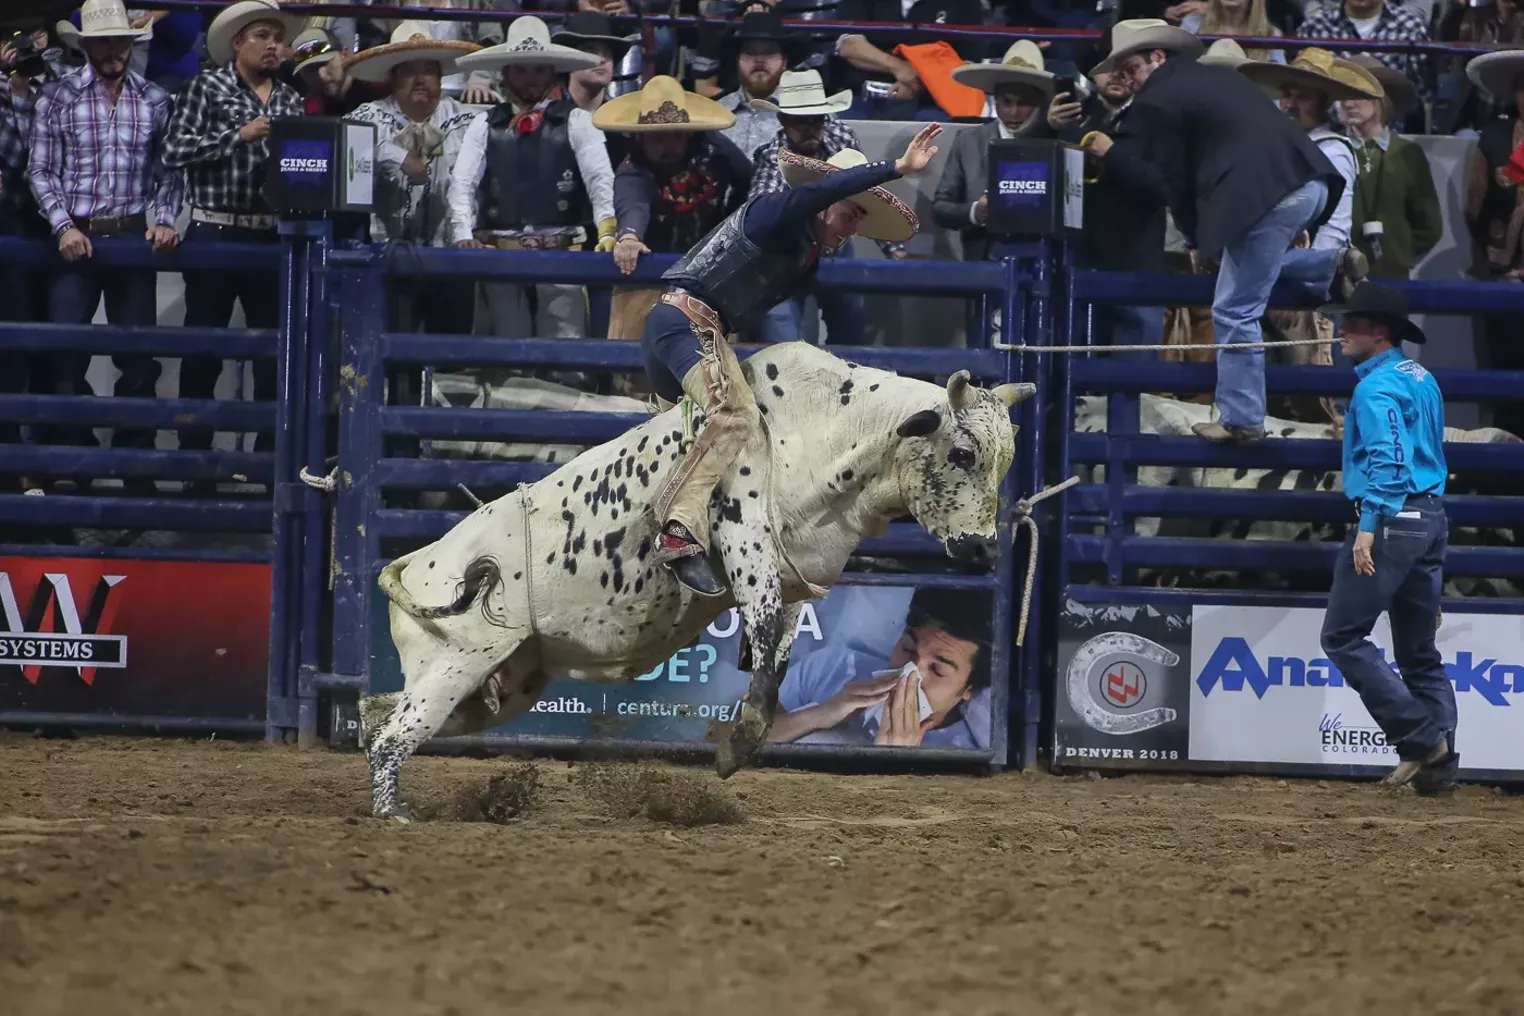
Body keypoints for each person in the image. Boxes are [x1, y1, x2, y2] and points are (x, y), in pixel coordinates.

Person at [643, 124, 940, 596]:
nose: (853, 228)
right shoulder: (775, 213)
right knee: (735, 415)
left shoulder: (806, 255)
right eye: (850, 213)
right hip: (684, 323)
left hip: (699, 331)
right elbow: (821, 190)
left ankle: (683, 534)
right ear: (824, 202)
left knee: (688, 436)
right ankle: (678, 533)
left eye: (860, 218)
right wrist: (897, 168)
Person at [1100, 18, 1365, 446]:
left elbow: (1174, 179)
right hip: (1309, 183)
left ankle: (1242, 418)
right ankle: (1325, 265)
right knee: (1239, 272)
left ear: (1157, 57)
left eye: (1131, 67)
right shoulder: (1209, 77)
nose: (1126, 79)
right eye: (1121, 72)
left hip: (1264, 195)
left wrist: (1194, 238)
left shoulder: (1158, 100)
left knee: (1233, 308)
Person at [27, 0, 183, 484]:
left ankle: (135, 466)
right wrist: (62, 225)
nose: (115, 50)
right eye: (106, 41)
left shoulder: (156, 99)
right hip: (76, 235)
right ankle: (75, 463)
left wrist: (165, 218)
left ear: (129, 44)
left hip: (133, 235)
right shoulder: (56, 97)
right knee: (67, 353)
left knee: (136, 359)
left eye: (121, 41)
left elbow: (169, 171)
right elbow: (40, 170)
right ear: (88, 45)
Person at [1316, 281, 1455, 797]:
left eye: (1352, 323)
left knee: (1343, 636)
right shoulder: (1420, 376)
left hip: (1394, 520)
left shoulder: (1374, 390)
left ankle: (1422, 742)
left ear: (1380, 332)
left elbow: (1390, 463)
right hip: (1431, 517)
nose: (1340, 330)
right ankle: (1437, 769)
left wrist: (1368, 528)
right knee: (1420, 653)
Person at [162, 0, 304, 464]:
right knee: (204, 350)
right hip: (214, 229)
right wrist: (237, 136)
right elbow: (173, 149)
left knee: (272, 354)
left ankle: (270, 461)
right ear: (238, 42)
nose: (273, 46)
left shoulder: (291, 98)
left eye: (277, 38)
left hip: (270, 233)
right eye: (262, 36)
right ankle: (193, 459)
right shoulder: (205, 87)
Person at [447, 16, 615, 342]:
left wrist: (607, 229)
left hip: (562, 249)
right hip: (500, 250)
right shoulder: (485, 124)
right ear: (506, 73)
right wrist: (462, 234)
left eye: (538, 70)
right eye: (521, 70)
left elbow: (600, 180)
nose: (530, 79)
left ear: (551, 72)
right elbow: (462, 183)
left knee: (566, 345)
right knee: (507, 349)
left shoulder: (577, 121)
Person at [347, 21, 482, 409]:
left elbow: (470, 180)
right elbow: (352, 144)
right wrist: (399, 157)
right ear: (393, 78)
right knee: (392, 359)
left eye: (430, 69)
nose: (422, 79)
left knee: (453, 359)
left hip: (450, 255)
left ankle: (445, 452)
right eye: (410, 70)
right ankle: (391, 449)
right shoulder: (369, 115)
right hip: (388, 260)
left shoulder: (467, 120)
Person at [748, 68, 909, 346]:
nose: (810, 129)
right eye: (801, 122)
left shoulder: (841, 140)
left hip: (834, 244)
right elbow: (762, 209)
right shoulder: (771, 157)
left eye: (817, 120)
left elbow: (864, 194)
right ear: (783, 120)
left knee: (852, 323)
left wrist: (891, 247)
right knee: (783, 337)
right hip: (784, 255)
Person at [596, 76, 751, 344]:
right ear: (640, 135)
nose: (667, 145)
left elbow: (747, 178)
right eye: (657, 137)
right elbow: (633, 201)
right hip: (647, 275)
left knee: (714, 369)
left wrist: (734, 221)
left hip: (708, 276)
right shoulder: (633, 166)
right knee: (635, 369)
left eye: (675, 135)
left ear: (690, 132)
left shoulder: (716, 150)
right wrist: (630, 236)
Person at [768, 587, 994, 750]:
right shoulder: (834, 667)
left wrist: (892, 762)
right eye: (907, 648)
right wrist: (818, 714)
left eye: (937, 670)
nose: (910, 672)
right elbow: (740, 742)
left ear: (969, 689)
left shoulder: (969, 752)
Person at [933, 40, 1055, 265]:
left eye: (1024, 103)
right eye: (1006, 102)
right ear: (995, 100)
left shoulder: (1055, 142)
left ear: (1040, 102)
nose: (1014, 112)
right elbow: (941, 208)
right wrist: (975, 212)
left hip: (1043, 262)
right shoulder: (968, 141)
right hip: (982, 260)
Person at [1461, 47, 1524, 438]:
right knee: (1509, 377)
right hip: (1507, 278)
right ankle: (1507, 472)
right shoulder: (1493, 138)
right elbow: (1475, 211)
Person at [1339, 55, 1441, 280]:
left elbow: (1429, 225)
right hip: (1337, 278)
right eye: (1343, 94)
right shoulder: (1332, 149)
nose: (1348, 103)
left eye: (1357, 93)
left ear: (1381, 96)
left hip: (1392, 276)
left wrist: (1399, 255)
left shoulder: (1408, 154)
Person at [1299, 0, 1432, 130]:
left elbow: (1420, 91)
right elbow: (1301, 87)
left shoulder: (1411, 27)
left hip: (1390, 136)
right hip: (1325, 136)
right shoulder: (1314, 27)